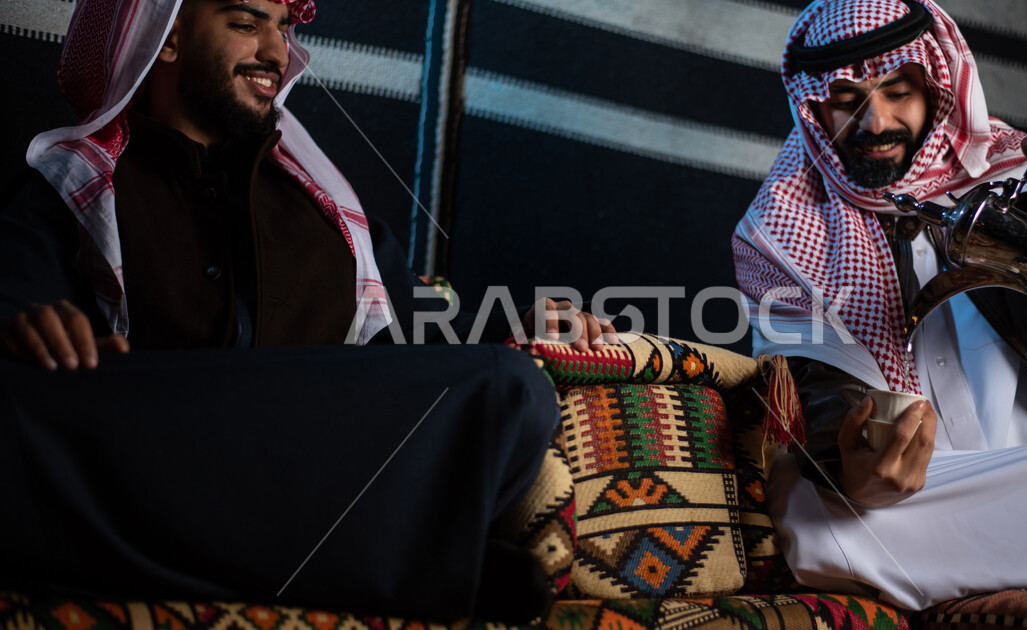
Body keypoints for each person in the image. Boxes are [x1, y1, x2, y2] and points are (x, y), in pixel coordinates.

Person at [0, 0, 614, 621]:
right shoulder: (69, 189)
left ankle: (242, 557)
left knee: (508, 390)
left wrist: (523, 323)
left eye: (284, 28)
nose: (277, 52)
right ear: (167, 37)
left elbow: (429, 330)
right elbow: (16, 310)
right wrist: (29, 331)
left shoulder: (328, 212)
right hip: (155, 457)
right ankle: (392, 565)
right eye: (247, 24)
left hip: (307, 458)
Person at [733, 0, 1027, 610]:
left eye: (898, 91)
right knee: (809, 511)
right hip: (924, 499)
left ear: (936, 84)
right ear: (814, 108)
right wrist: (859, 475)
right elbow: (820, 397)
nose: (876, 122)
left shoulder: (1026, 177)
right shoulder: (781, 234)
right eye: (847, 100)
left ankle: (992, 553)